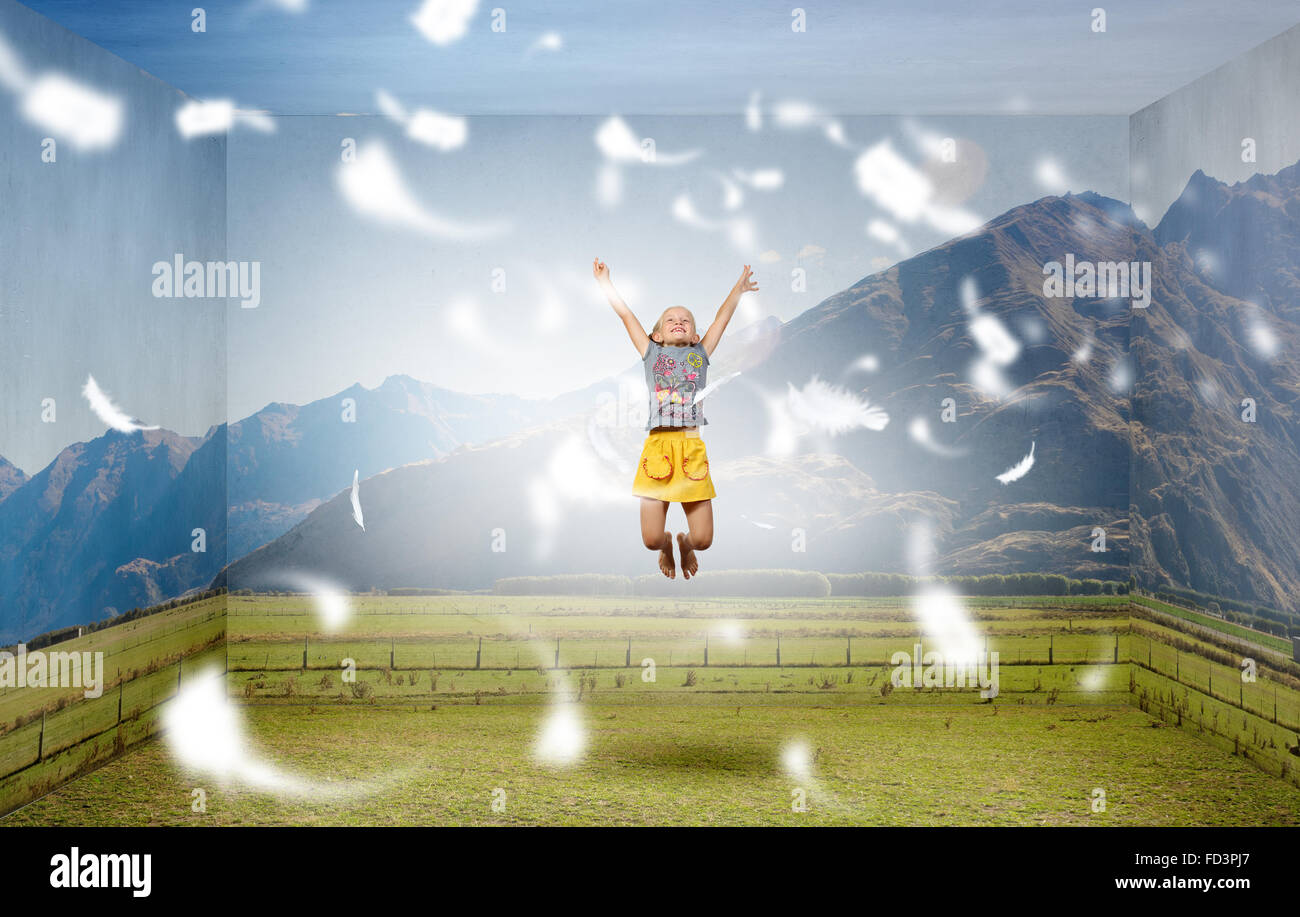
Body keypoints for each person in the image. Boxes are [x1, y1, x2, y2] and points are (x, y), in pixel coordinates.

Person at [592, 257, 758, 579]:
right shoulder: (651, 353)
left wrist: (738, 290)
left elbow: (721, 320)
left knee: (704, 540)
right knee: (651, 540)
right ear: (656, 335)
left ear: (695, 336)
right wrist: (605, 284)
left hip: (692, 449)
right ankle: (667, 542)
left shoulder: (701, 354)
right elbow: (626, 314)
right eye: (670, 319)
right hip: (657, 450)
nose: (679, 321)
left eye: (685, 320)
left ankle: (684, 542)